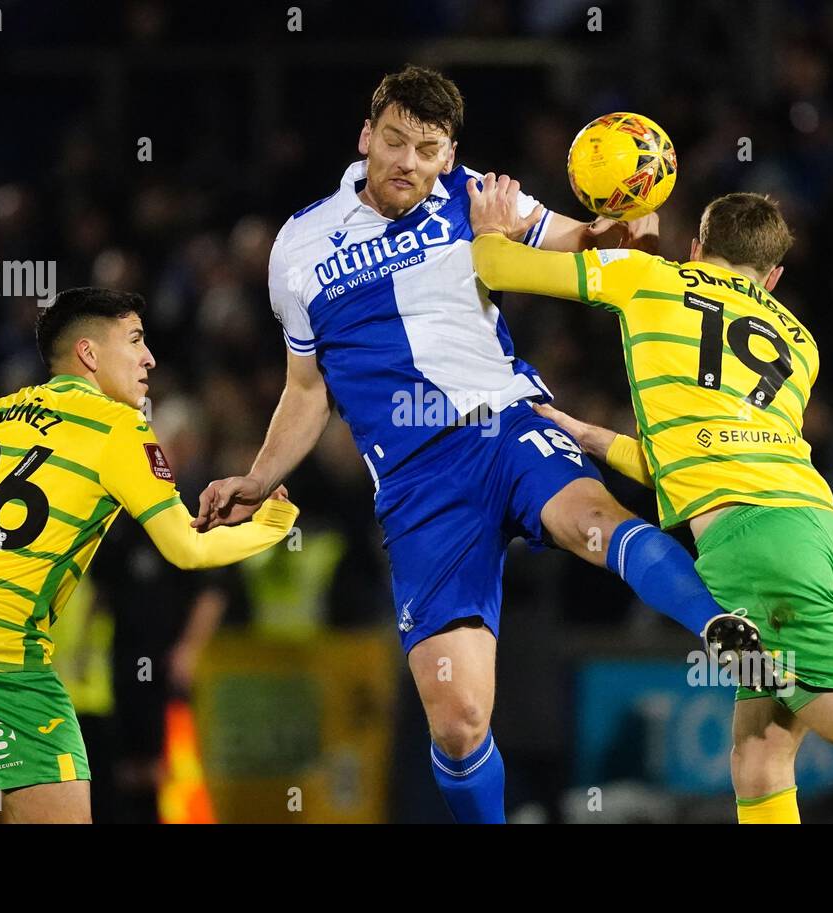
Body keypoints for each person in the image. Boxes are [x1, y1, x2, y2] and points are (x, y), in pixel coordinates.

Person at [193, 66, 763, 824]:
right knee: (458, 721)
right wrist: (259, 478)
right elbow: (306, 391)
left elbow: (584, 244)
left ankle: (721, 631)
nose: (406, 161)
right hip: (418, 483)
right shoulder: (299, 247)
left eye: (426, 148)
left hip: (506, 422)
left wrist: (626, 217)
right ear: (366, 138)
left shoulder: (476, 197)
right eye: (392, 141)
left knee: (592, 518)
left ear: (447, 152)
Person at [467, 176, 833, 824]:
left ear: (695, 245)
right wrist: (593, 438)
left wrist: (492, 228)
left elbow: (493, 267)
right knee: (759, 759)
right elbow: (717, 456)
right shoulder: (802, 343)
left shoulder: (645, 278)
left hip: (757, 551)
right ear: (770, 278)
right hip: (825, 537)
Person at [0, 287, 299, 823]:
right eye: (135, 341)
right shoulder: (119, 428)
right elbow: (187, 551)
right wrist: (275, 525)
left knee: (9, 805)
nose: (149, 358)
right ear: (89, 354)